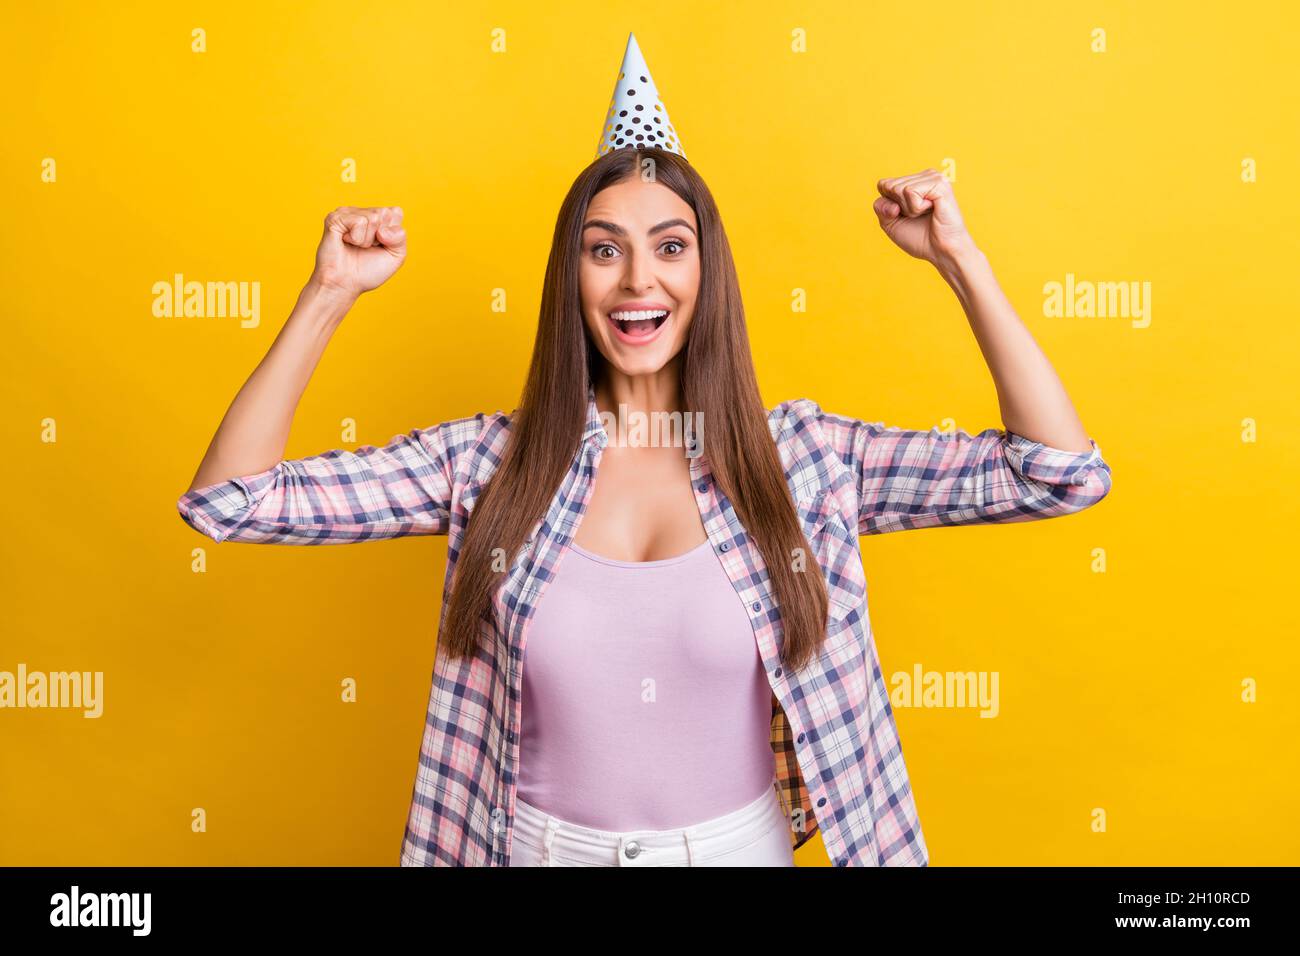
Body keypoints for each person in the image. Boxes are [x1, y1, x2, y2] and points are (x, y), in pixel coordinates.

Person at [176, 34, 1112, 867]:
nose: (638, 280)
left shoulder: (806, 462)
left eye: (670, 246)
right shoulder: (486, 466)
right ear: (569, 275)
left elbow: (1058, 473)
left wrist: (962, 263)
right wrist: (329, 292)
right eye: (604, 249)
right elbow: (233, 501)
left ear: (707, 271)